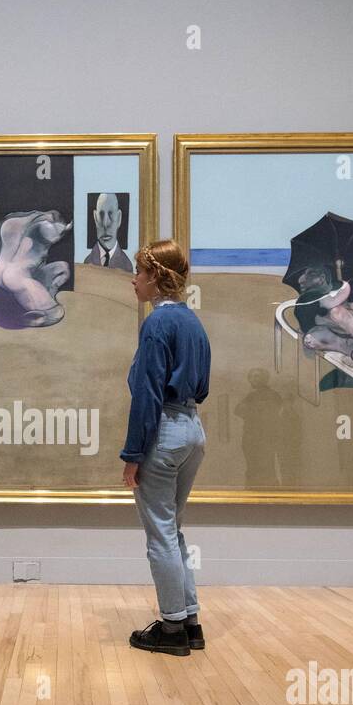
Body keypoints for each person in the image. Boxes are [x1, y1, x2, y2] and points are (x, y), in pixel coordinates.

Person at [121, 240, 211, 657]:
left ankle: (172, 628)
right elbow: (203, 386)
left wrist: (132, 455)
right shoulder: (193, 322)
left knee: (159, 534)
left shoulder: (156, 324)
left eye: (139, 272)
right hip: (193, 429)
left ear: (155, 277)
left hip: (165, 432)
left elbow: (147, 394)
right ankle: (190, 620)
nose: (134, 280)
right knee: (172, 529)